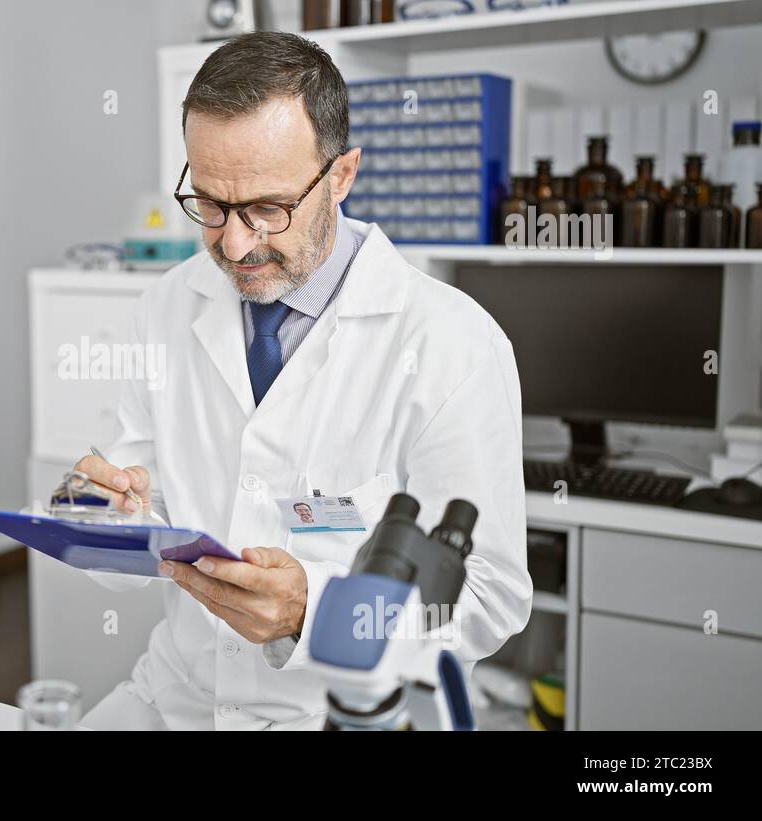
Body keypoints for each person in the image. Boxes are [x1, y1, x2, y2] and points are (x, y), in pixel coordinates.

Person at [76, 32, 532, 730]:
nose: (234, 244)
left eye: (266, 208)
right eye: (210, 204)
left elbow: (491, 599)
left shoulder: (453, 345)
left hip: (332, 716)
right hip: (174, 699)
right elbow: (144, 519)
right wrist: (107, 514)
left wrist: (311, 610)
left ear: (342, 174)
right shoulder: (165, 305)